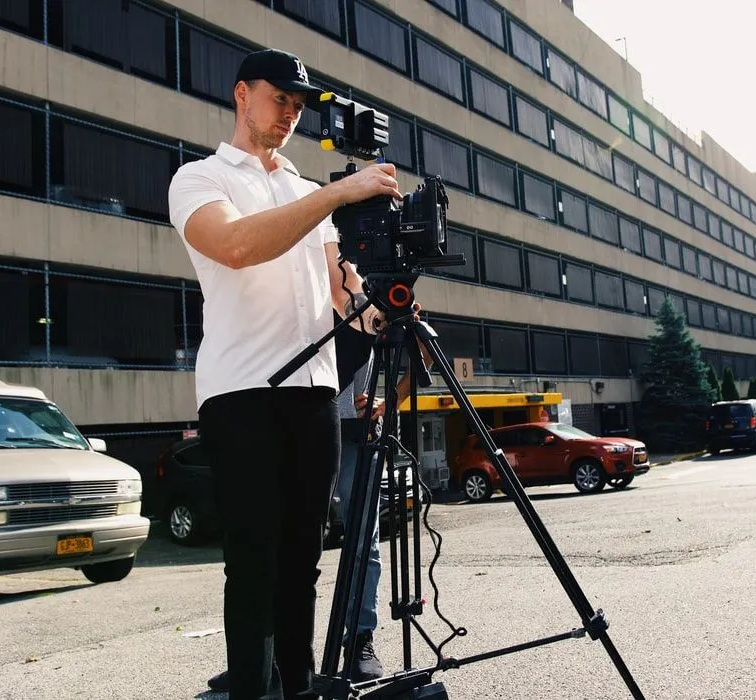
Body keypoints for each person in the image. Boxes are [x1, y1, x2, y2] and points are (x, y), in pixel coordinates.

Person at [167, 47, 401, 700]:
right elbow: (238, 245)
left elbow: (341, 296)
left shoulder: (311, 196)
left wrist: (388, 302)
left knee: (302, 565)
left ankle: (294, 689)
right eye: (280, 101)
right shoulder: (199, 181)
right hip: (242, 394)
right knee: (254, 566)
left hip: (314, 394)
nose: (291, 115)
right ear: (242, 96)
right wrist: (336, 191)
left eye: (299, 108)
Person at [208, 316, 434, 693]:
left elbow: (425, 349)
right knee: (269, 545)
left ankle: (360, 639)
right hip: (287, 422)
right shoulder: (293, 287)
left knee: (362, 541)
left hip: (355, 431)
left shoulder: (360, 290)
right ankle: (262, 656)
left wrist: (389, 399)